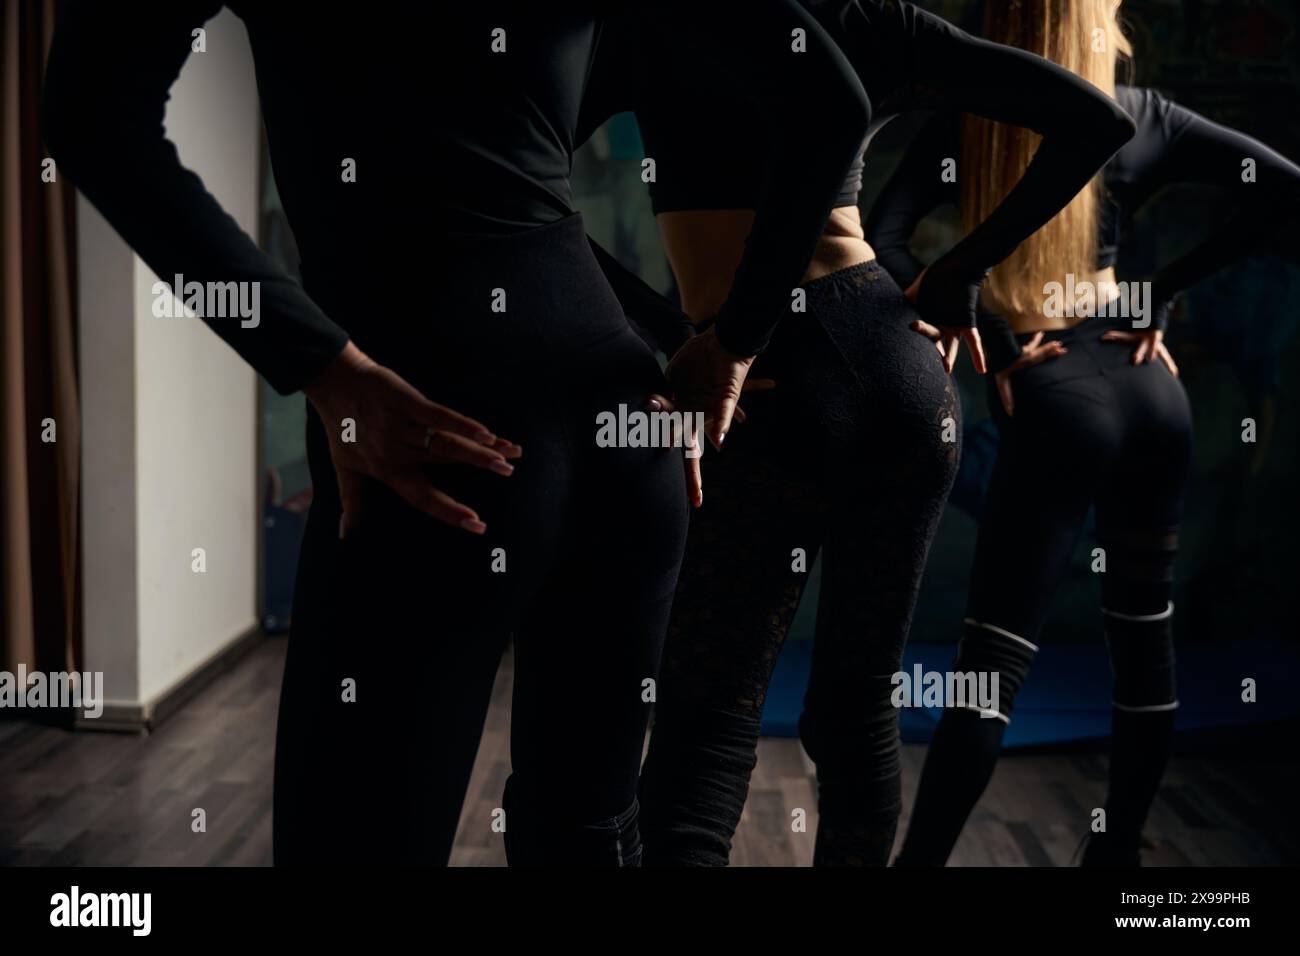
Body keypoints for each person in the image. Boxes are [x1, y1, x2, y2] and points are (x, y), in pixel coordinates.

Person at [42, 0, 871, 865]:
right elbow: (832, 104)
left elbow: (92, 116)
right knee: (585, 838)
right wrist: (730, 344)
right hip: (622, 426)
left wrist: (326, 365)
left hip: (429, 440)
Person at [580, 0, 1136, 865]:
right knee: (856, 704)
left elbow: (524, 177)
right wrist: (959, 273)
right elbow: (1099, 118)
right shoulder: (871, 20)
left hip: (768, 383)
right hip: (901, 370)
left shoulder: (657, 21)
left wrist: (675, 334)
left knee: (709, 720)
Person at [865, 0, 1300, 866]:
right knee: (1146, 642)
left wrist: (982, 328)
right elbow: (1285, 184)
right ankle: (1120, 857)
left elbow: (880, 236)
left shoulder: (973, 117)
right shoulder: (1147, 117)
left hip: (1052, 390)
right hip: (1150, 389)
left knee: (990, 668)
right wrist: (1160, 294)